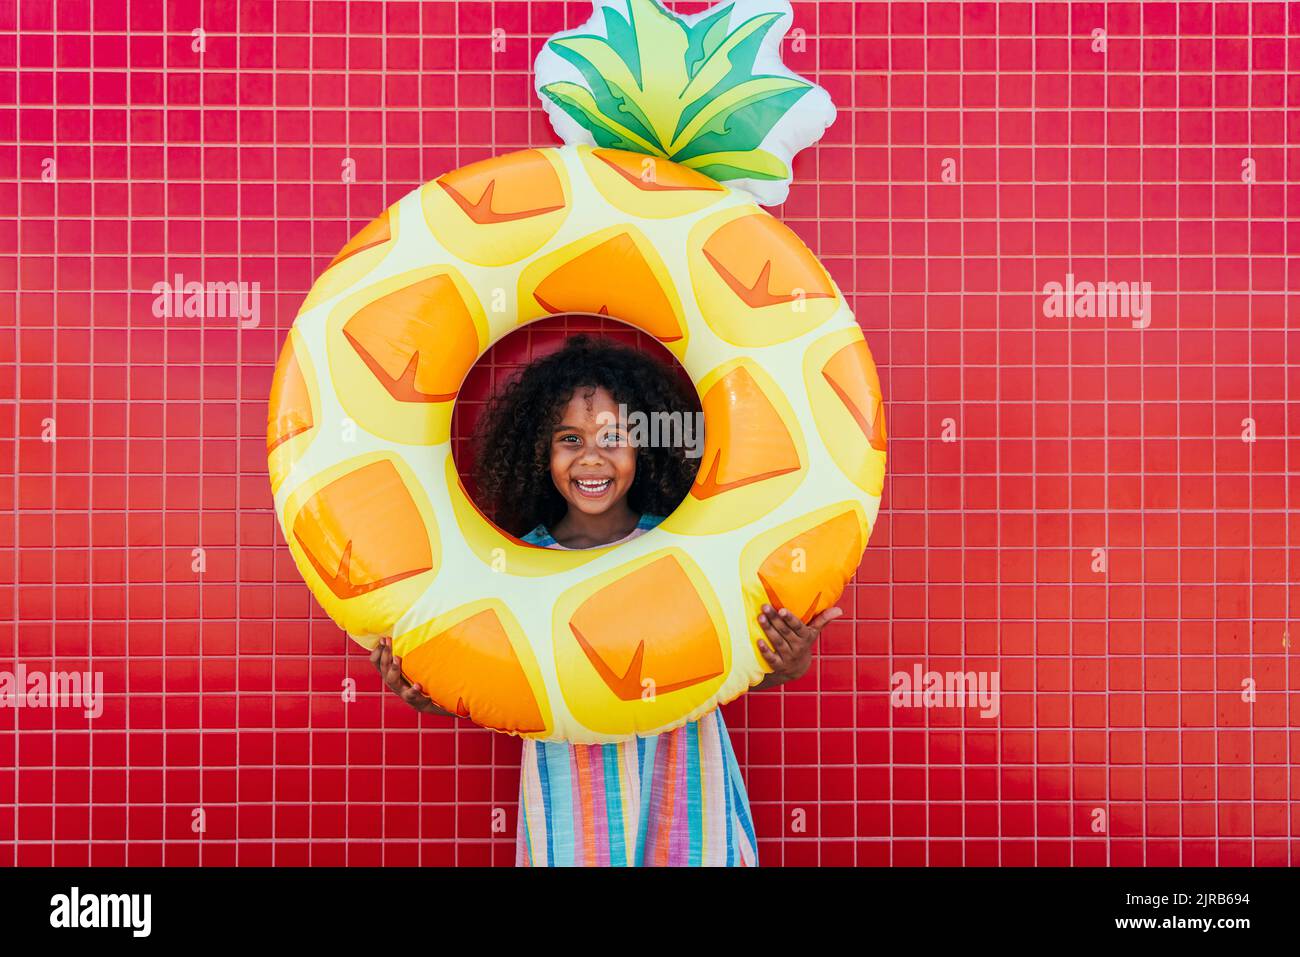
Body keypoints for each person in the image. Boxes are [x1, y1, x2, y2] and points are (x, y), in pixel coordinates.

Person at [370, 334, 843, 865]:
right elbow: (495, 679)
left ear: (643, 446)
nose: (590, 459)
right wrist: (434, 693)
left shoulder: (688, 550)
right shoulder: (512, 567)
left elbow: (727, 662)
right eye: (569, 439)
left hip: (685, 797)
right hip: (572, 813)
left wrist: (789, 660)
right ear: (541, 452)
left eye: (613, 437)